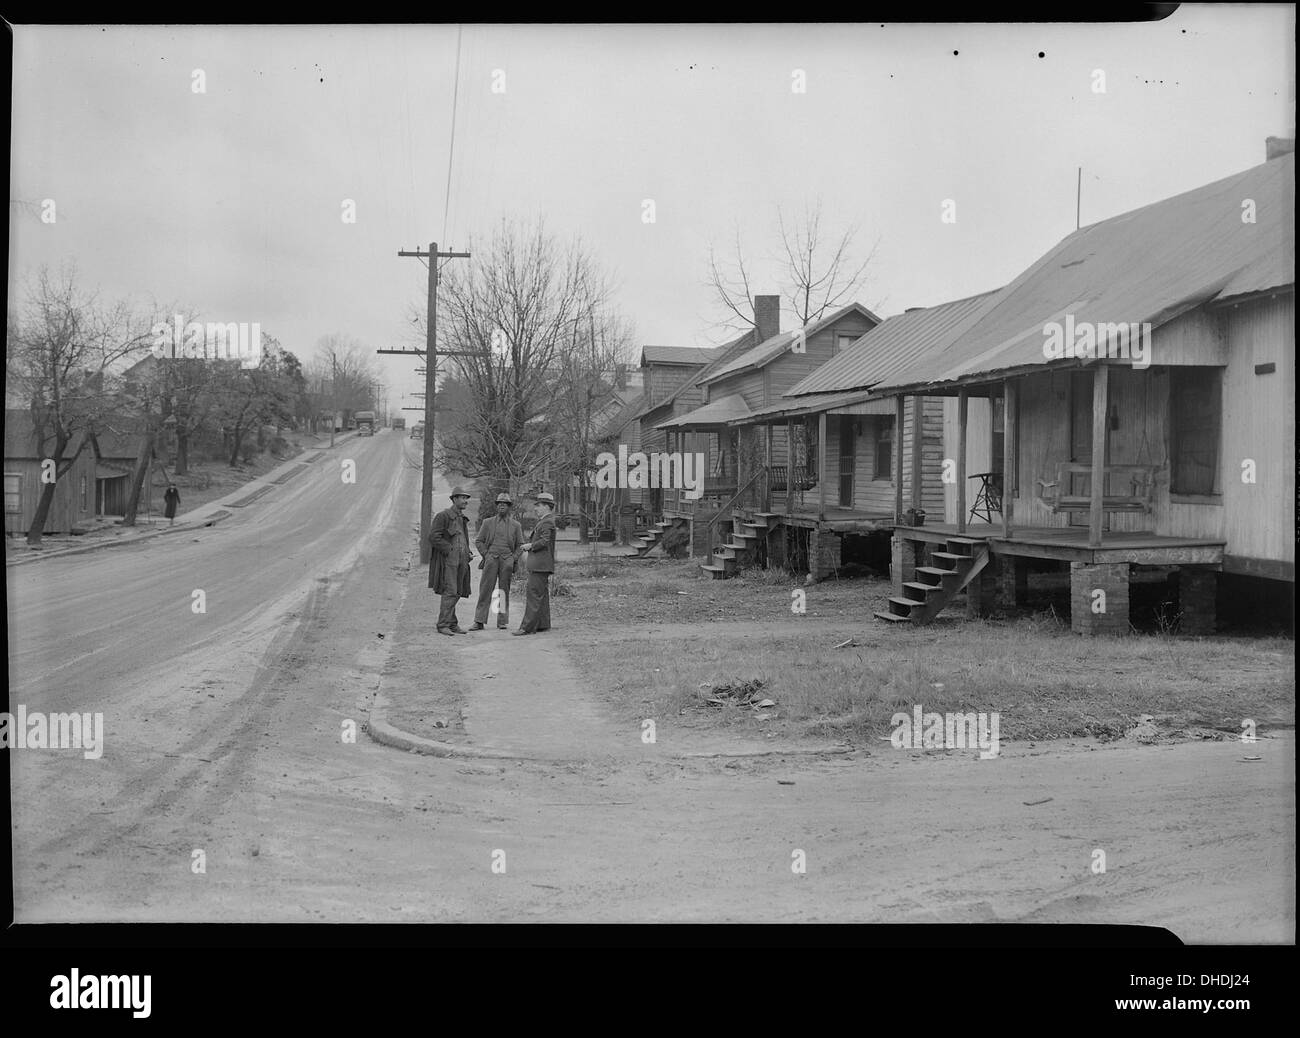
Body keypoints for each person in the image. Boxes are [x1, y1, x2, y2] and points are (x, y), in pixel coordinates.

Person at [471, 492, 524, 631]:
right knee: (485, 590)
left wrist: (513, 558)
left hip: (507, 561)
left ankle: (501, 621)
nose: (502, 506)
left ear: (509, 507)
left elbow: (520, 545)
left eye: (505, 504)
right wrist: (486, 555)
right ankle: (479, 621)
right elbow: (479, 541)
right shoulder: (487, 522)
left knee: (502, 590)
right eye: (499, 503)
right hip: (491, 560)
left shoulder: (516, 525)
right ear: (496, 506)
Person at [428, 487, 476, 635]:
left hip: (462, 560)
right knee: (450, 591)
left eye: (467, 498)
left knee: (458, 591)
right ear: (454, 499)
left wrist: (468, 551)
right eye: (462, 498)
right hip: (449, 561)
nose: (466, 501)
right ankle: (442, 625)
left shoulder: (462, 518)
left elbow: (462, 538)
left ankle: (452, 623)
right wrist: (449, 550)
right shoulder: (443, 516)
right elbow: (433, 537)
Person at [514, 492, 556, 636]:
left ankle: (527, 627)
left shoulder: (547, 522)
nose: (536, 509)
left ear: (546, 507)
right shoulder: (546, 521)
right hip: (542, 565)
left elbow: (544, 541)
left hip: (540, 565)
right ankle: (543, 624)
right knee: (541, 595)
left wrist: (530, 546)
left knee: (533, 595)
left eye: (538, 506)